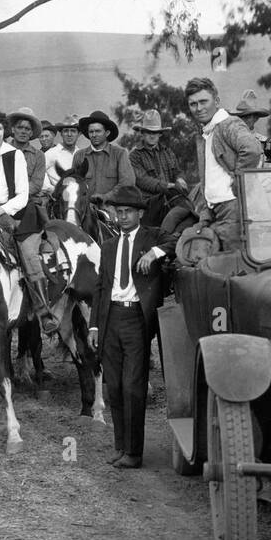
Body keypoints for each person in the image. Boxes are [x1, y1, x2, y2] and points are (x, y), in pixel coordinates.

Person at [88, 184, 173, 469]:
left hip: (137, 319)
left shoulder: (152, 237)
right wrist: (94, 327)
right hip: (110, 318)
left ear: (139, 213)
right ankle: (121, 447)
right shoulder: (109, 246)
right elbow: (100, 287)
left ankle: (134, 452)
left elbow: (180, 239)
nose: (122, 217)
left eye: (127, 212)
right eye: (118, 212)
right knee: (114, 387)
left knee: (133, 386)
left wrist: (155, 253)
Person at [0, 108, 58, 335]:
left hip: (16, 212)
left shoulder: (15, 155)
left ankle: (42, 309)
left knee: (28, 252)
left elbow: (23, 194)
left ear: (3, 131)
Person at [184, 77, 263, 251]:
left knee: (232, 266)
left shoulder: (227, 124)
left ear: (217, 101)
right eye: (193, 104)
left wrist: (238, 182)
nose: (199, 108)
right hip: (217, 210)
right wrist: (206, 212)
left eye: (203, 101)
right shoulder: (208, 131)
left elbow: (251, 149)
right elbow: (211, 178)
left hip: (231, 208)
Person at [127, 108, 186, 229]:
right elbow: (142, 180)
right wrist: (169, 186)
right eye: (148, 132)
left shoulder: (167, 152)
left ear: (160, 134)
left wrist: (180, 179)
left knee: (190, 211)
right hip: (148, 206)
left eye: (155, 132)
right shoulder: (134, 156)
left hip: (169, 200)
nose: (152, 135)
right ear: (142, 133)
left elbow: (177, 171)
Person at [72, 109, 135, 203]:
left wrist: (106, 197)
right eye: (91, 132)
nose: (94, 135)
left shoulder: (119, 154)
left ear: (107, 133)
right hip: (85, 209)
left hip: (112, 208)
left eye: (98, 131)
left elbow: (127, 183)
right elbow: (73, 184)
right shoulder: (79, 156)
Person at [7, 106, 48, 216]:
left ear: (31, 133)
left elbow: (36, 184)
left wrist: (16, 195)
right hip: (2, 201)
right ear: (12, 129)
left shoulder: (39, 156)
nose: (23, 132)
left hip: (28, 203)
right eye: (20, 127)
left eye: (27, 129)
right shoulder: (1, 152)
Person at [45, 112, 82, 204]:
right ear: (61, 134)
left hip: (78, 199)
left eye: (73, 131)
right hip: (56, 200)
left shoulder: (81, 154)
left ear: (79, 134)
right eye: (66, 131)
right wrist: (52, 189)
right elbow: (39, 173)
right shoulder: (51, 153)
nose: (69, 134)